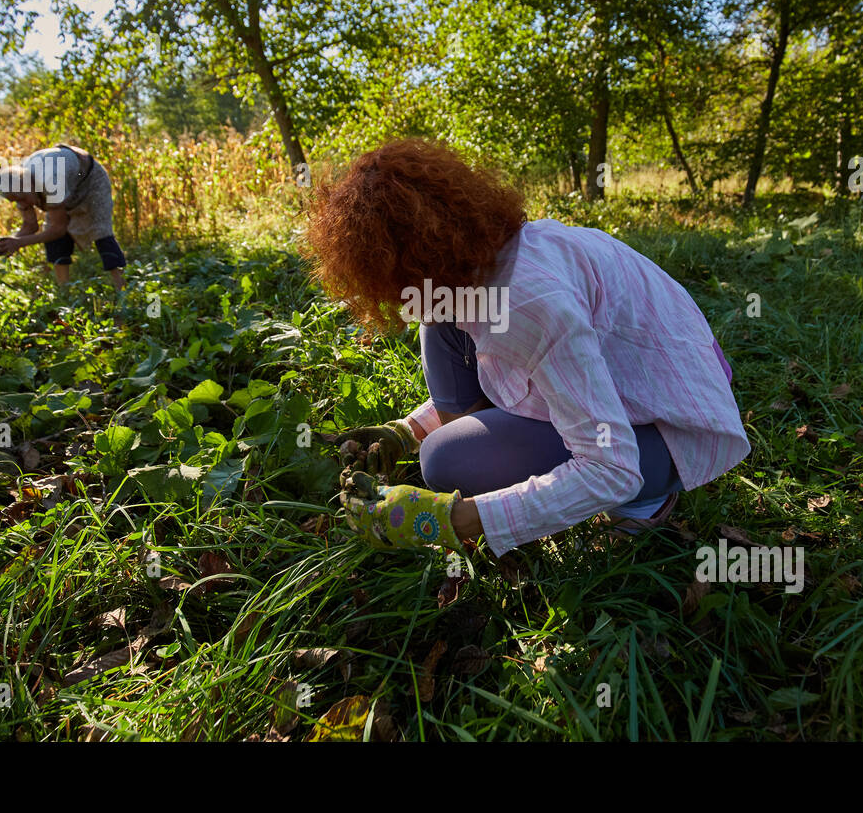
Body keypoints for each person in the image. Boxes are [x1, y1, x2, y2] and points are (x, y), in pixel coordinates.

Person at [305, 138, 750, 558]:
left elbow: (613, 469)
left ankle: (647, 503)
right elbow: (513, 363)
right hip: (632, 382)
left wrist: (455, 520)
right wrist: (406, 430)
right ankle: (493, 458)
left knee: (445, 460)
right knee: (439, 325)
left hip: (667, 432)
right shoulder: (486, 263)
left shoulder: (529, 303)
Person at [0, 144, 126, 288]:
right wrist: (8, 243)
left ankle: (122, 288)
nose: (22, 204)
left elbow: (58, 229)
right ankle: (64, 291)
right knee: (55, 240)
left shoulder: (50, 181)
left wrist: (19, 243)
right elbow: (31, 225)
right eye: (15, 201)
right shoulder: (18, 186)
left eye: (22, 199)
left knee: (101, 233)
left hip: (89, 182)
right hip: (64, 184)